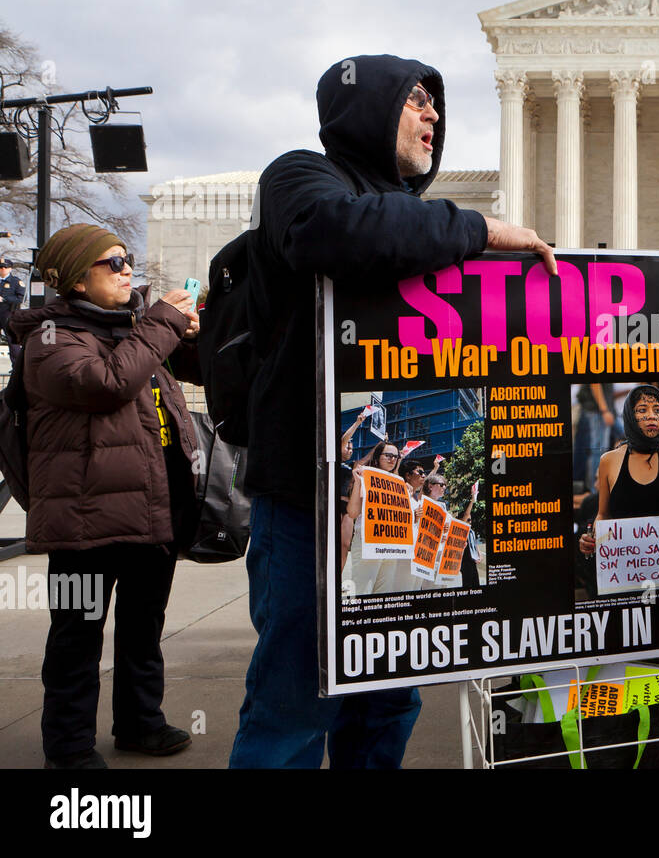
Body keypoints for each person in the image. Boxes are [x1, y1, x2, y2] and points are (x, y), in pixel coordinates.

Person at [230, 54, 555, 769]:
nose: (434, 115)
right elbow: (341, 232)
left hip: (395, 527)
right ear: (367, 110)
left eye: (436, 103)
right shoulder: (299, 177)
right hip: (306, 506)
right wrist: (481, 229)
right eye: (415, 100)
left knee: (388, 700)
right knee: (295, 703)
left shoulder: (419, 221)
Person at [11, 225, 201, 769]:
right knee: (76, 637)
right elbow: (105, 384)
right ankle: (68, 750)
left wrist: (189, 336)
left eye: (127, 260)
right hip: (83, 519)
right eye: (111, 262)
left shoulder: (135, 331)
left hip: (150, 510)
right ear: (73, 278)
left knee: (144, 628)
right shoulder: (49, 339)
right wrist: (161, 323)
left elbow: (201, 374)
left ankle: (140, 723)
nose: (126, 271)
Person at [579, 385, 659, 557]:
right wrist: (591, 539)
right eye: (642, 410)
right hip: (625, 568)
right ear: (629, 416)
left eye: (657, 410)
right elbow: (603, 514)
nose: (652, 416)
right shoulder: (608, 460)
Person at [342, 439, 401, 596]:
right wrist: (358, 484)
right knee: (363, 594)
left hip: (390, 546)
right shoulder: (364, 477)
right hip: (367, 544)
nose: (392, 459)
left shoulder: (399, 484)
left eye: (396, 456)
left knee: (384, 595)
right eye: (388, 455)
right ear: (377, 457)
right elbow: (353, 513)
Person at [0, 257, 24, 338]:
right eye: (0, 267)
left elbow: (20, 299)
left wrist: (4, 299)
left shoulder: (16, 282)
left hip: (9, 313)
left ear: (10, 269)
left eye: (5, 267)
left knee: (12, 339)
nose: (3, 269)